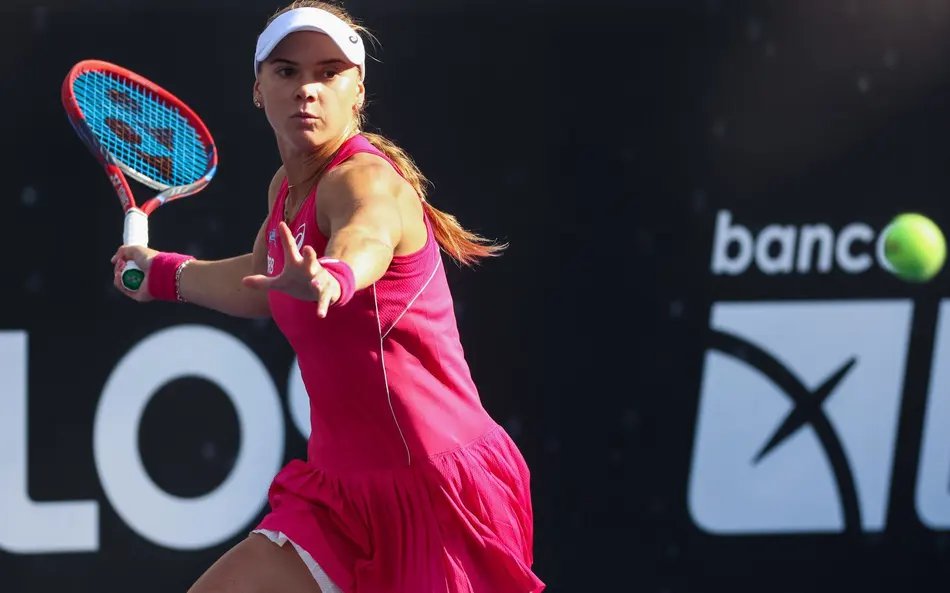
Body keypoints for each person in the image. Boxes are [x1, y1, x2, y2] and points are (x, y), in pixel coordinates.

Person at [110, 2, 545, 592]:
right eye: (287, 71)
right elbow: (261, 278)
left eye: (328, 72)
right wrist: (160, 273)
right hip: (338, 499)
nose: (306, 89)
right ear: (259, 89)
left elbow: (366, 239)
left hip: (437, 494)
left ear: (357, 91)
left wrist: (333, 277)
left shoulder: (366, 179)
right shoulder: (286, 188)